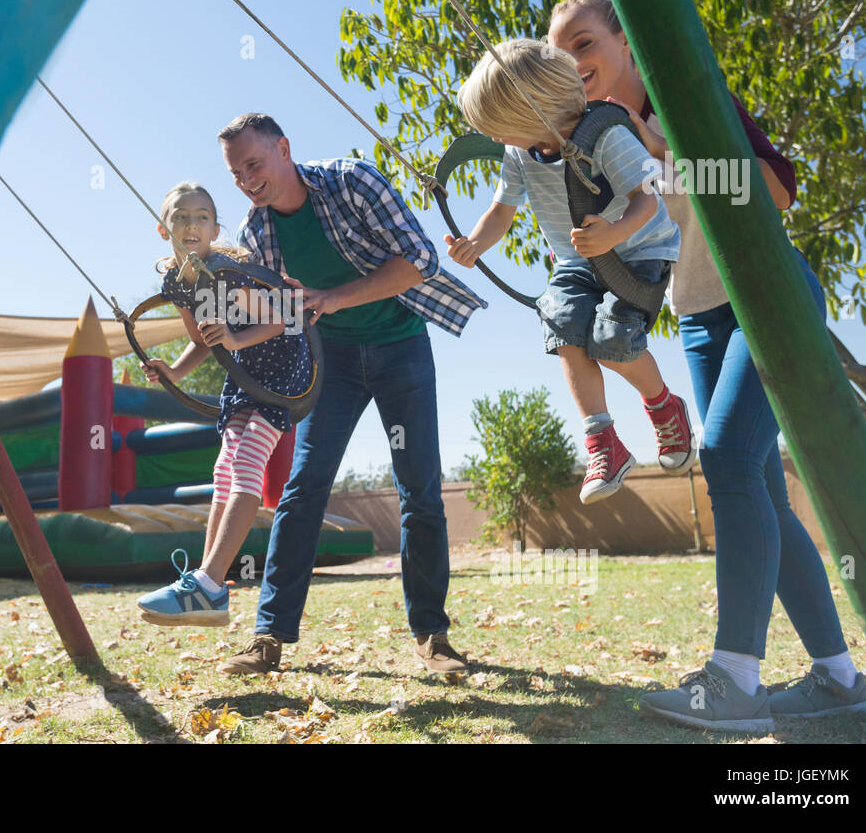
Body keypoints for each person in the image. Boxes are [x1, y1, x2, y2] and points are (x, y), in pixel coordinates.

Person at [549, 0, 866, 730]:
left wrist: (662, 146)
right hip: (699, 321)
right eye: (560, 55)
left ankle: (733, 677)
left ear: (625, 41)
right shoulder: (590, 143)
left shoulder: (687, 100)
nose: (574, 64)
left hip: (767, 297)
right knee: (757, 489)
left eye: (584, 44)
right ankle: (837, 678)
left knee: (726, 461)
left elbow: (776, 190)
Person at [215, 113, 483, 676]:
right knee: (304, 484)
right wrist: (226, 329)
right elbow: (282, 313)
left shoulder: (352, 182)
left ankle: (432, 636)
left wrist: (336, 298)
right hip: (328, 364)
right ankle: (269, 636)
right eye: (236, 171)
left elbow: (421, 259)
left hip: (400, 346)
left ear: (284, 149)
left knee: (420, 489)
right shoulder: (257, 232)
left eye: (254, 164)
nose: (246, 178)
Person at [445, 38, 697, 507]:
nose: (496, 139)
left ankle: (664, 406)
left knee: (613, 341)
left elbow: (648, 200)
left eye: (498, 127)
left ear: (529, 113)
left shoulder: (606, 137)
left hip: (639, 248)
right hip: (577, 260)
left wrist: (613, 233)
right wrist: (475, 243)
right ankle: (603, 442)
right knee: (562, 328)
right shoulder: (520, 156)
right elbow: (501, 213)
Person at [136, 182, 312, 627]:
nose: (191, 224)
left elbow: (283, 318)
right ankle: (204, 583)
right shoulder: (177, 283)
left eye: (201, 216)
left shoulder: (225, 272)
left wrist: (234, 338)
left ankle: (211, 583)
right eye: (180, 216)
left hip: (279, 373)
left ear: (215, 228)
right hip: (243, 376)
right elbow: (200, 340)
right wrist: (173, 373)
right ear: (163, 229)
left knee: (249, 461)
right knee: (223, 470)